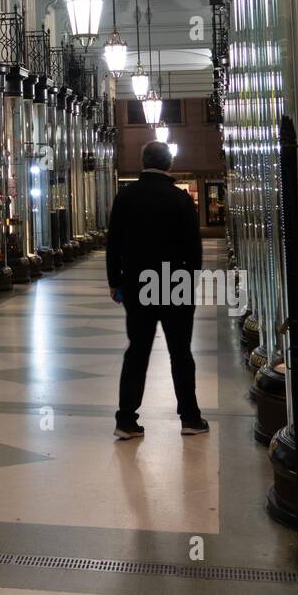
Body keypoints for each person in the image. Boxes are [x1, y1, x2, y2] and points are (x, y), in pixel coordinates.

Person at [106, 140, 208, 440]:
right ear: (169, 164)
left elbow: (113, 244)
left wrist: (115, 282)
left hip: (137, 284)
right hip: (175, 283)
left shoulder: (125, 196)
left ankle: (126, 419)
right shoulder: (180, 199)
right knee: (180, 353)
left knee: (137, 351)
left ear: (142, 162)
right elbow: (194, 249)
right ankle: (190, 417)